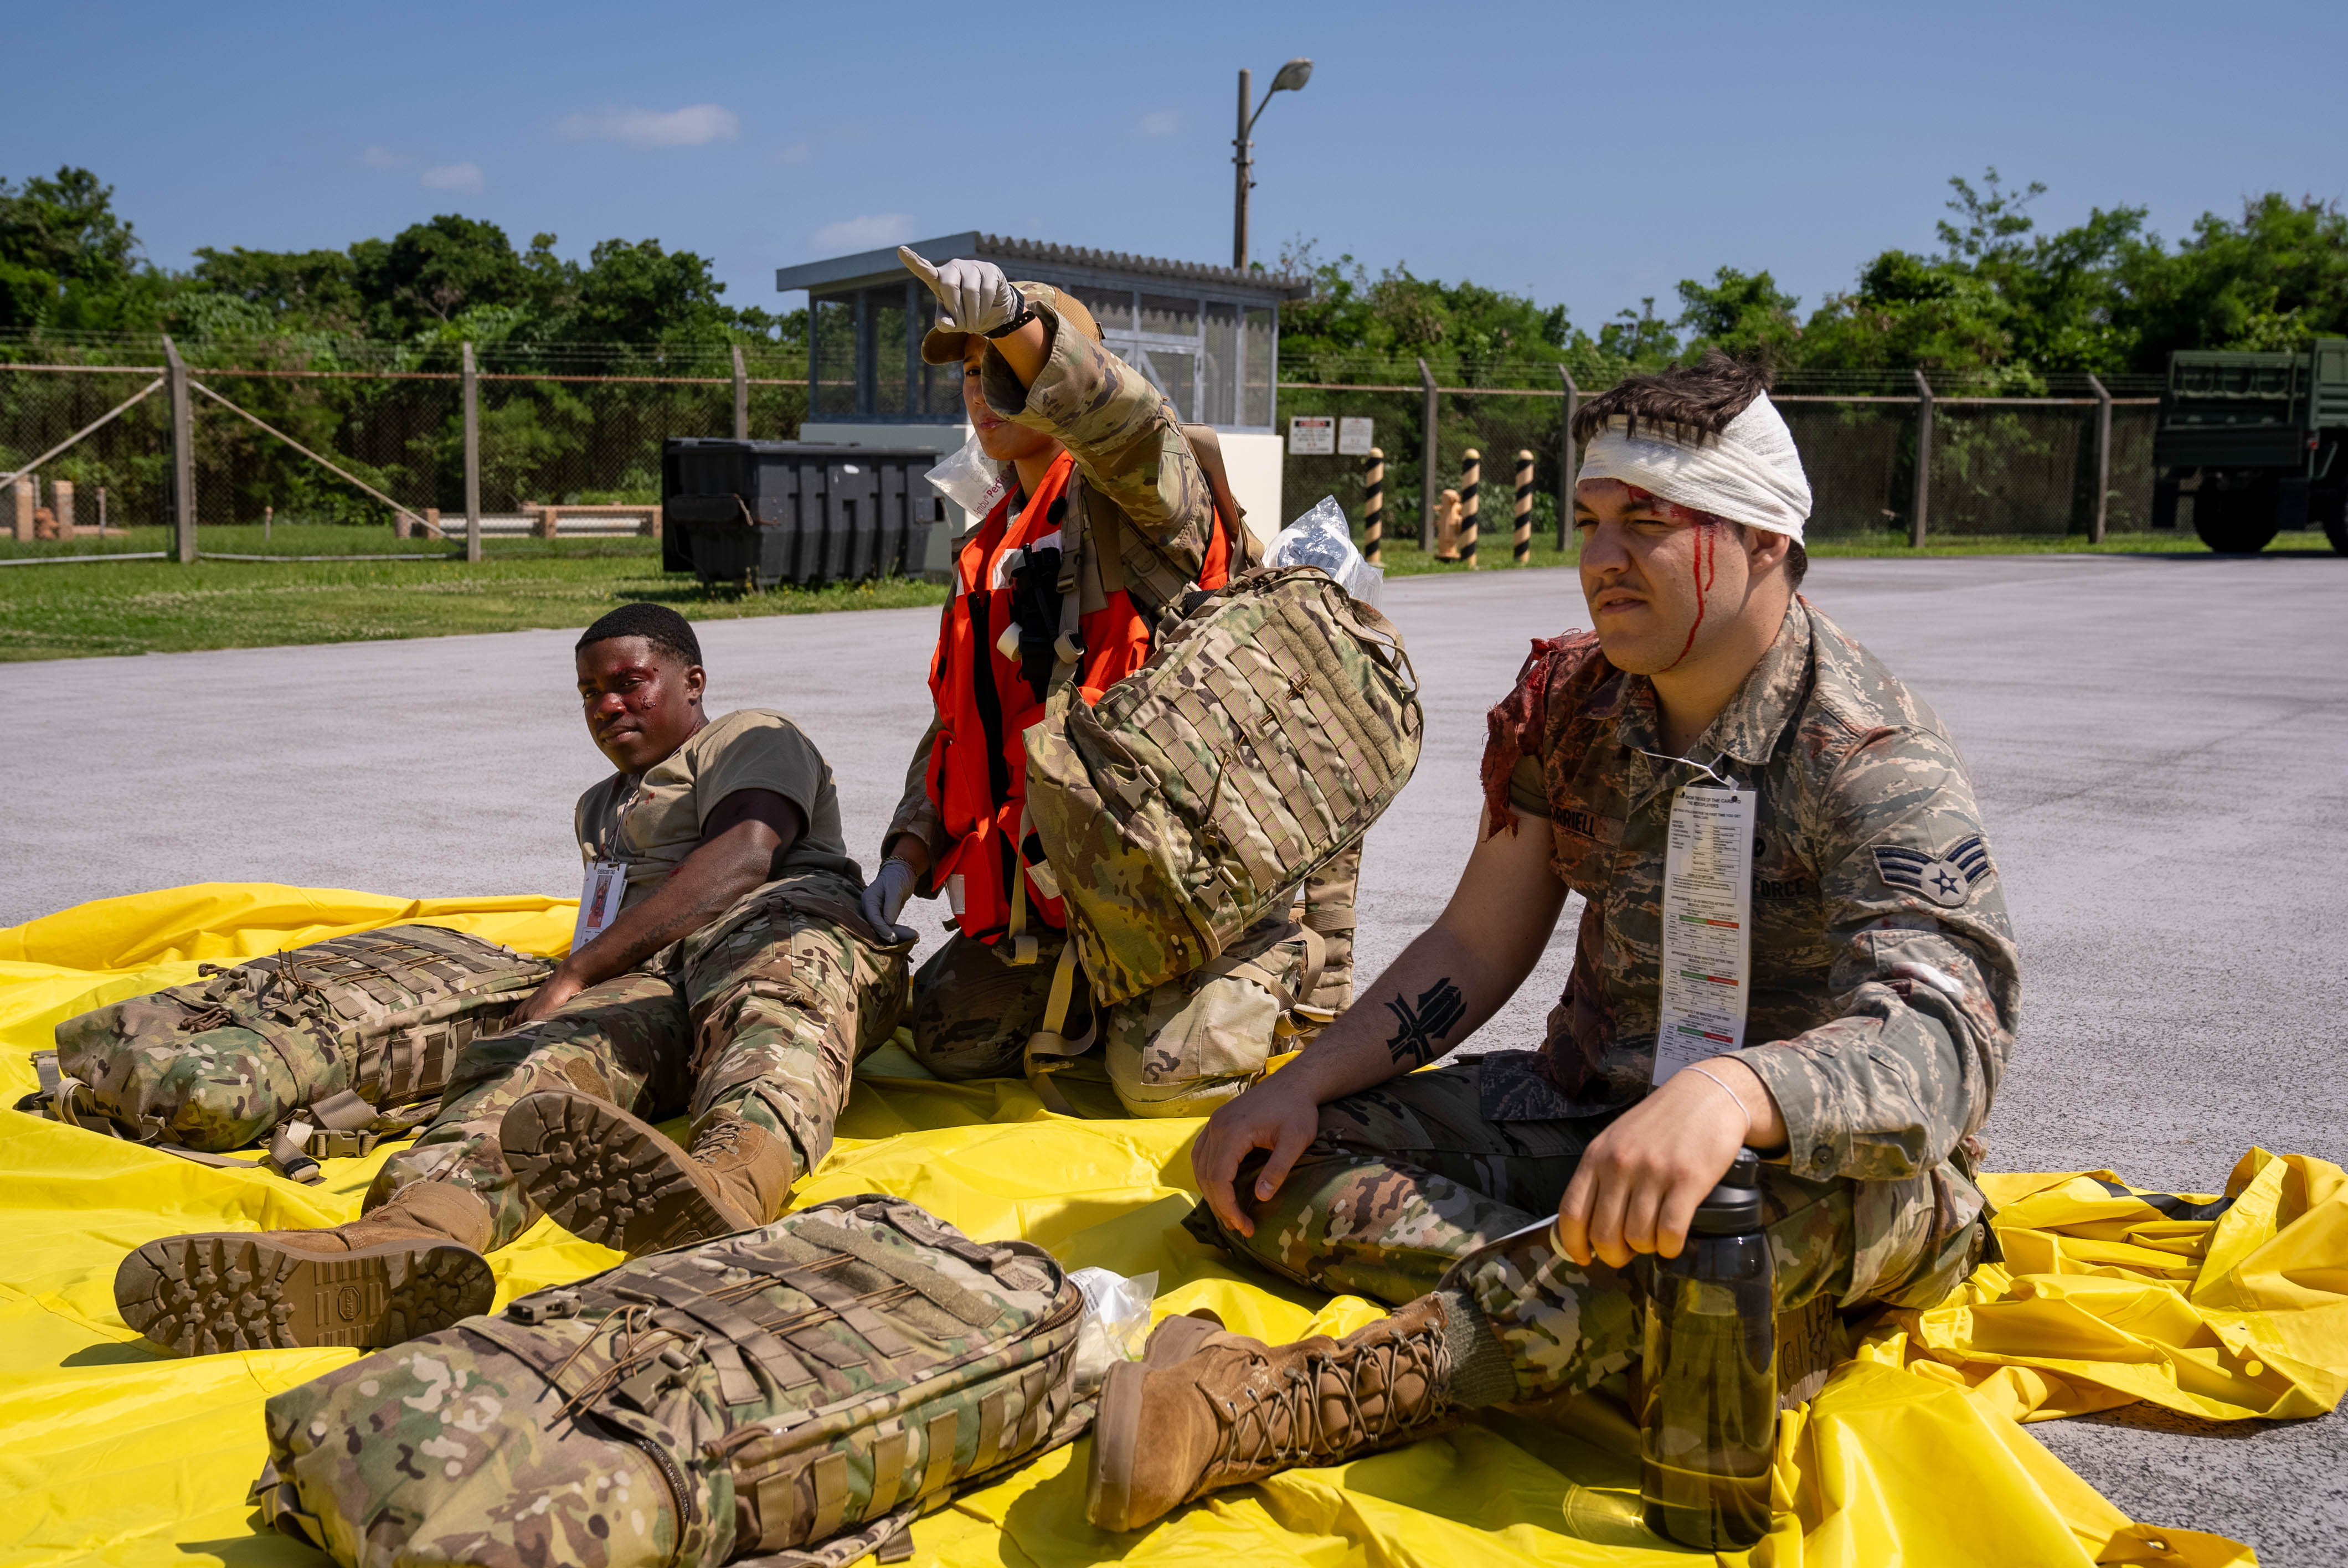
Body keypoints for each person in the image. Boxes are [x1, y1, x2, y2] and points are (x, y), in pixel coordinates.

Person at [1084, 354, 2022, 1530]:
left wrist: (1736, 1092)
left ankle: (1280, 1404)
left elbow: (1942, 1038)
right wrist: (1302, 1081)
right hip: (1594, 1116)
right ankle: (1645, 1318)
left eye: (1646, 524)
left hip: (1821, 1178)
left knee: (1726, 1233)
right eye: (1586, 521)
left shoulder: (1870, 753)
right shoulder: (1574, 703)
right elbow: (1477, 946)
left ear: (1766, 542)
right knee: (1271, 1167)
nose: (1599, 560)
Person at [114, 604, 909, 1355]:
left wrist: (577, 973)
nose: (606, 705)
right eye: (589, 693)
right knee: (544, 1071)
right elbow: (608, 937)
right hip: (663, 979)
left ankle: (731, 1188)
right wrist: (568, 1007)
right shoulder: (598, 806)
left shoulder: (750, 735)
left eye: (628, 682)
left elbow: (747, 853)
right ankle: (413, 1234)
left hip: (785, 926)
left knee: (776, 999)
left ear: (692, 682)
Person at [861, 249, 1322, 1118]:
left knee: (1163, 1083)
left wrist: (1016, 326)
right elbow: (960, 725)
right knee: (949, 1038)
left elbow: (1129, 420)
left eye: (997, 364)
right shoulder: (991, 545)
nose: (979, 387)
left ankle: (1267, 959)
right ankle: (1087, 986)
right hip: (1058, 906)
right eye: (966, 370)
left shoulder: (1149, 497)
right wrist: (906, 854)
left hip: (1182, 900)